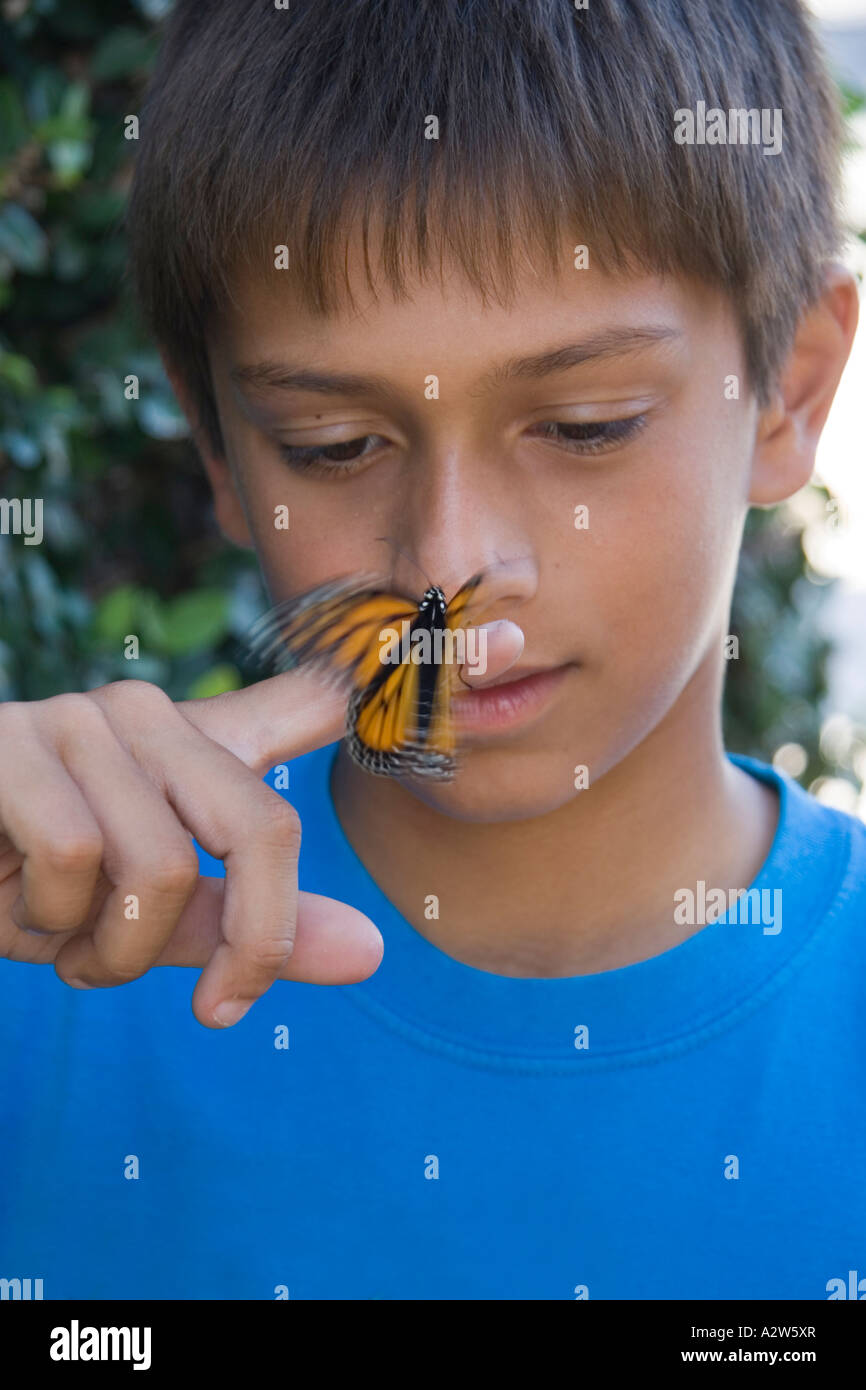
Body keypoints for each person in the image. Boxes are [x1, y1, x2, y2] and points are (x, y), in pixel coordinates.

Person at [1, 0, 863, 1300]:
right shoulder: (41, 945)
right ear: (222, 451)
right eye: (333, 446)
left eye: (583, 423)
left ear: (787, 391)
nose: (447, 566)